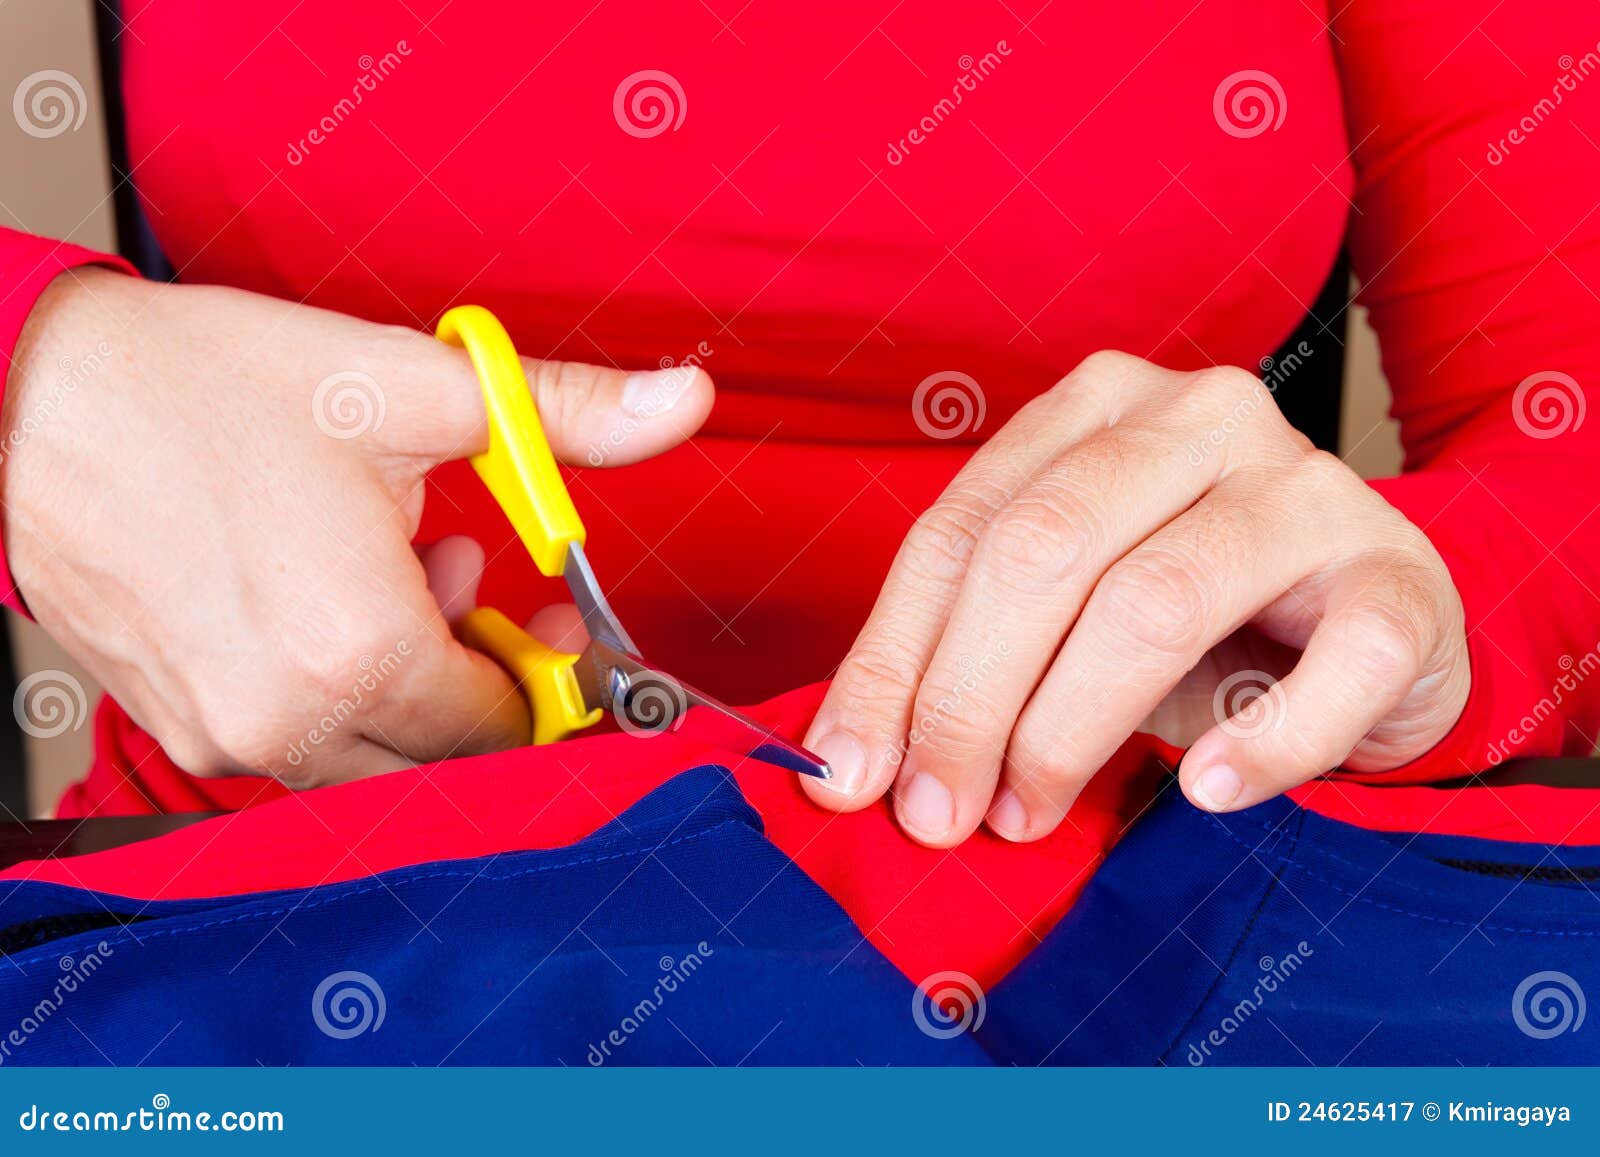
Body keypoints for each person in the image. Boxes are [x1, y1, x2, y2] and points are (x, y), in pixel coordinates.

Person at [2, 2, 1596, 849]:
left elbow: (1566, 445)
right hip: (272, 935)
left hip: (1151, 952)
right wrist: (31, 383)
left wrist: (1426, 610)